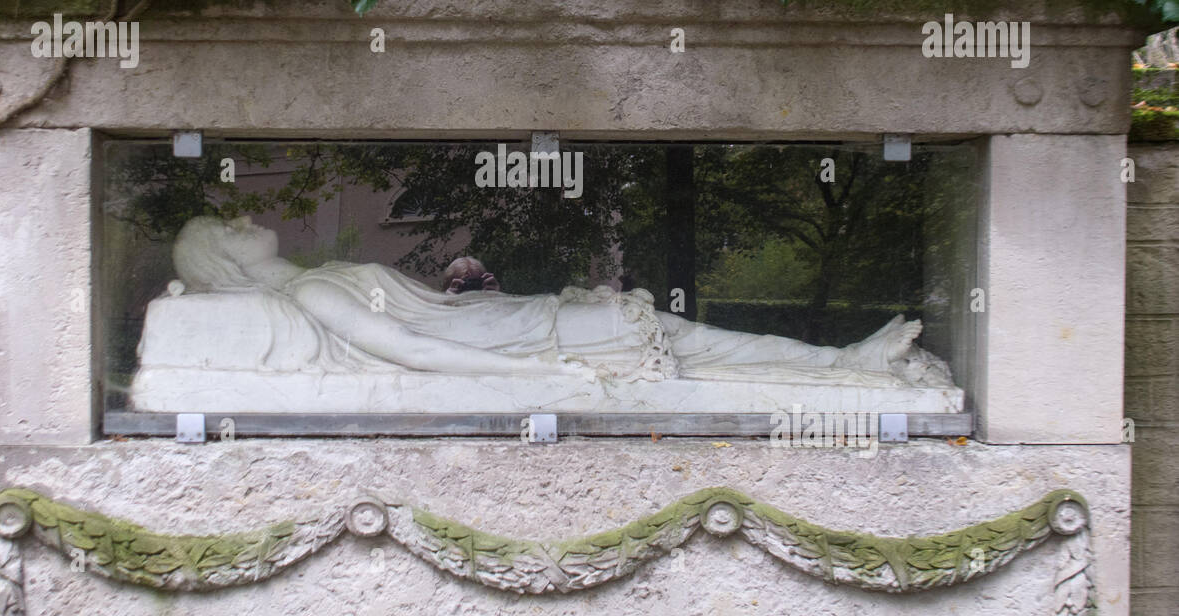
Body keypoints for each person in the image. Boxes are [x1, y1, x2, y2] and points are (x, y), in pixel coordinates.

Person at [168, 215, 925, 382]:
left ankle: (845, 366)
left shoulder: (317, 277)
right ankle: (846, 367)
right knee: (690, 345)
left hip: (512, 320)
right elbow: (413, 351)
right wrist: (540, 375)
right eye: (225, 230)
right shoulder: (309, 296)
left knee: (695, 349)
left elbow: (427, 323)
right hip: (521, 341)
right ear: (222, 265)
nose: (243, 219)